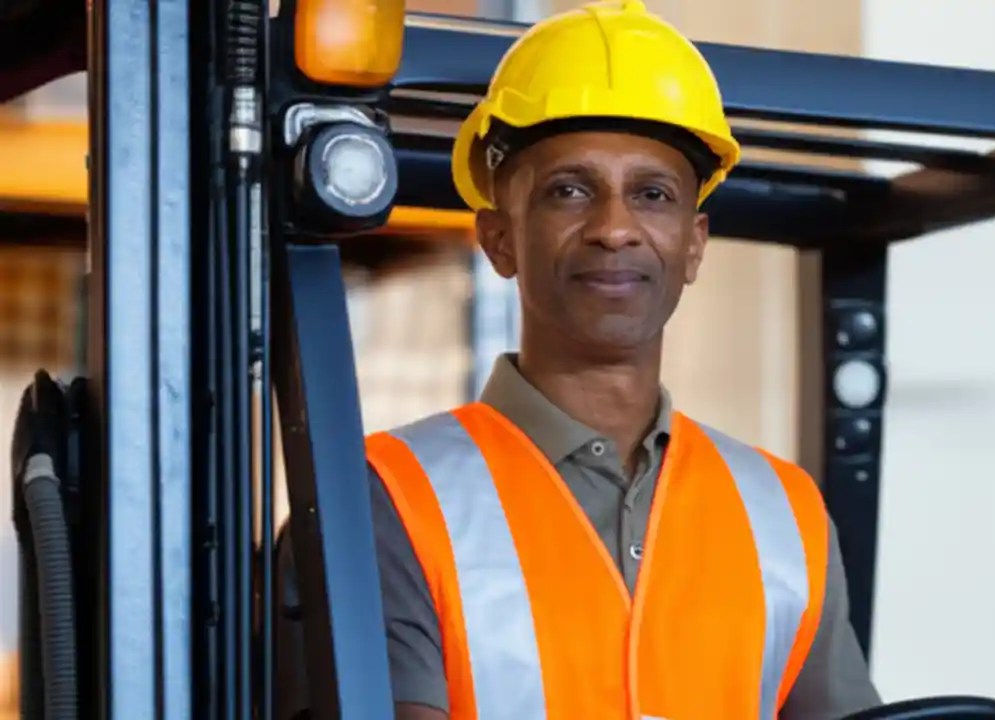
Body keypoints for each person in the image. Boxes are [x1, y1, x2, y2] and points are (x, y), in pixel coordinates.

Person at [275, 1, 882, 718]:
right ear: (500, 238)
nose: (615, 228)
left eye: (652, 195)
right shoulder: (382, 504)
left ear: (693, 244)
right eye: (570, 191)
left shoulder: (786, 516)